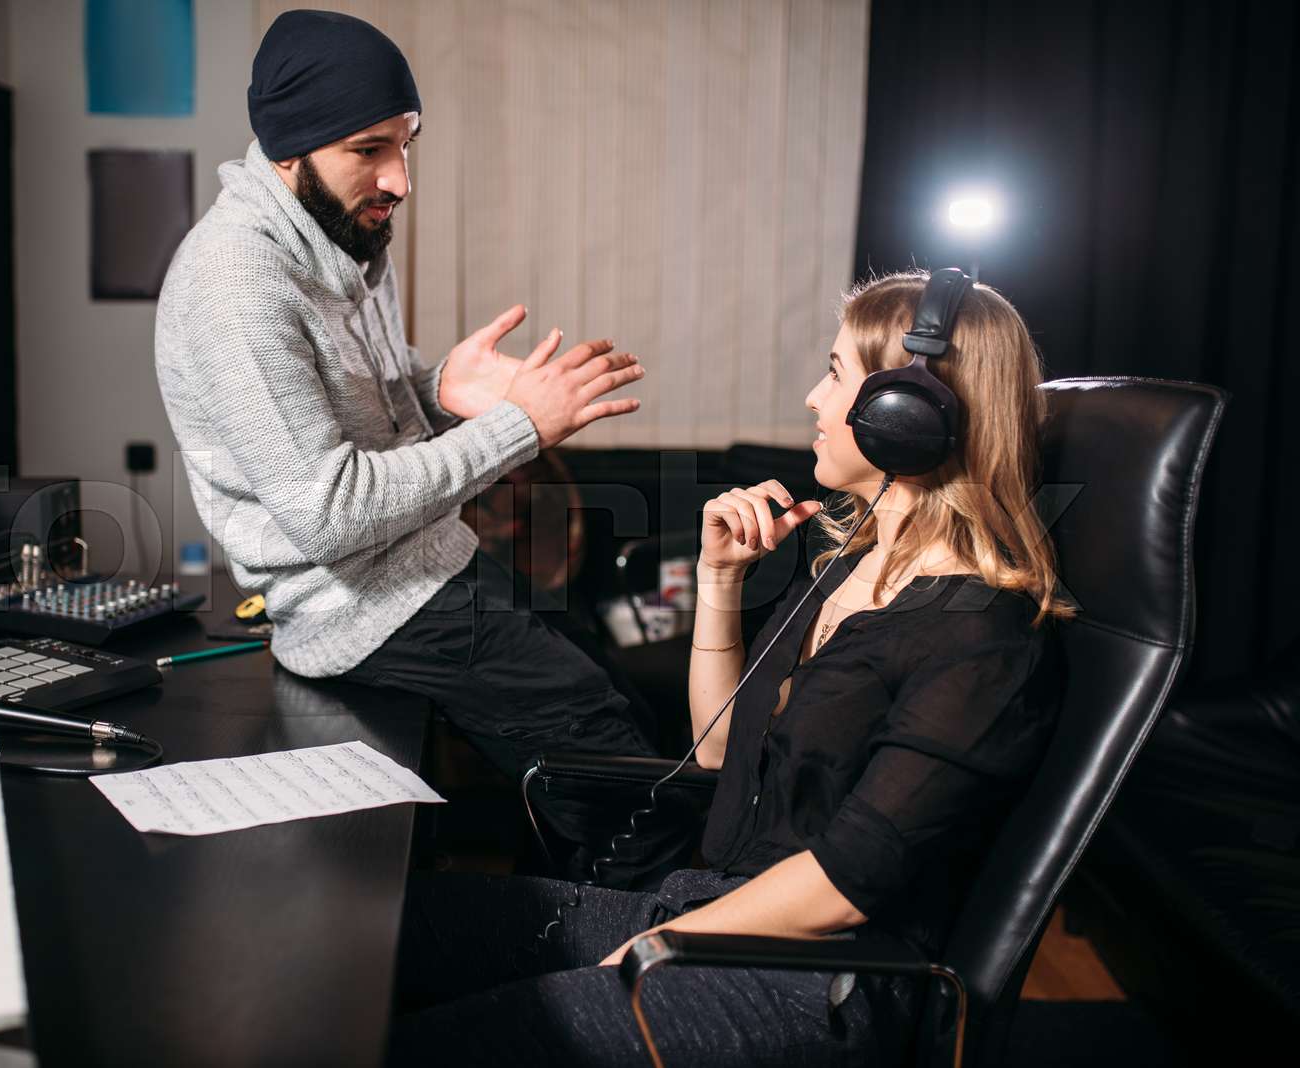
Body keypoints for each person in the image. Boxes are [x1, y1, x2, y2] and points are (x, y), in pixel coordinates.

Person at [388, 270, 1073, 1066]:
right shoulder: (850, 567)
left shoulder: (984, 639)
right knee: (386, 929)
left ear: (907, 418)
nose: (815, 401)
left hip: (819, 982)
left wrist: (654, 944)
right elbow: (719, 751)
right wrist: (721, 582)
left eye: (836, 375)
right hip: (722, 914)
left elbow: (845, 883)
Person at [153, 10, 660, 871]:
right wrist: (518, 427)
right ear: (290, 151)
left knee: (599, 719)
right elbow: (329, 511)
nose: (400, 177)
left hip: (418, 564)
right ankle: (675, 959)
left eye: (407, 143)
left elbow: (356, 406)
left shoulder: (338, 238)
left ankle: (609, 928)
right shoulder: (238, 283)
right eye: (368, 148)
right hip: (363, 605)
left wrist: (438, 391)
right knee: (610, 762)